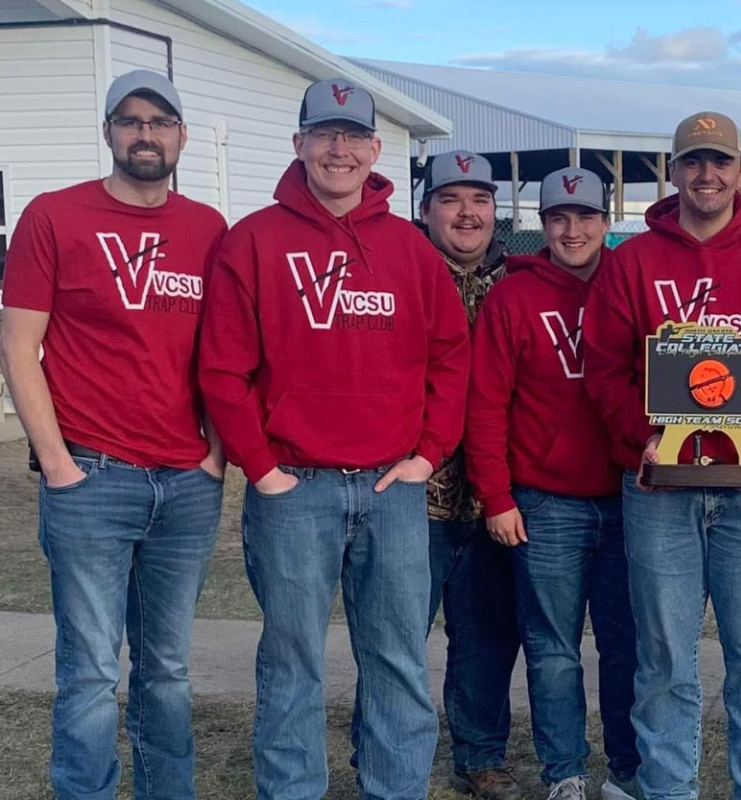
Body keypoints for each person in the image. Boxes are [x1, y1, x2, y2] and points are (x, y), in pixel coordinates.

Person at [198, 79, 469, 798]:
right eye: (324, 134)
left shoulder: (410, 251)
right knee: (292, 663)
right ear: (300, 145)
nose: (338, 149)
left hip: (391, 489)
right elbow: (223, 368)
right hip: (295, 489)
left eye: (352, 137)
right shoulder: (254, 240)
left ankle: (395, 788)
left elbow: (451, 357)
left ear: (377, 150)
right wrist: (260, 468)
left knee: (399, 661)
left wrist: (427, 453)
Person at [583, 111, 741, 800]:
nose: (707, 174)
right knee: (663, 659)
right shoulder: (632, 263)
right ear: (674, 171)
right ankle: (668, 789)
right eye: (693, 161)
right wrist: (647, 435)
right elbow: (604, 370)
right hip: (660, 491)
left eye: (720, 161)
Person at [0, 70, 227, 800]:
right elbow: (17, 347)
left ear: (182, 136)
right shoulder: (54, 217)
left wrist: (215, 457)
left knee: (168, 668)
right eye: (130, 121)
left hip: (185, 485)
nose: (145, 134)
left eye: (160, 122)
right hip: (92, 477)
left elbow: (223, 354)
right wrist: (58, 462)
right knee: (92, 668)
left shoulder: (207, 229)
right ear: (108, 132)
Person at [467, 166, 640, 800]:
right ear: (543, 225)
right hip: (545, 502)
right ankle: (564, 771)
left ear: (606, 220)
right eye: (559, 218)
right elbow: (486, 404)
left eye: (586, 217)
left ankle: (626, 771)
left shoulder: (631, 286)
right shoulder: (514, 298)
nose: (573, 230)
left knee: (628, 646)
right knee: (553, 649)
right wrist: (498, 495)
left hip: (631, 497)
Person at [416, 149, 524, 800]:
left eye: (479, 200)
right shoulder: (401, 274)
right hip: (413, 495)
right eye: (451, 199)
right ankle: (384, 746)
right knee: (398, 637)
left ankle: (481, 756)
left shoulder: (519, 281)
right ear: (425, 209)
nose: (466, 212)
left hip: (492, 495)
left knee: (487, 635)